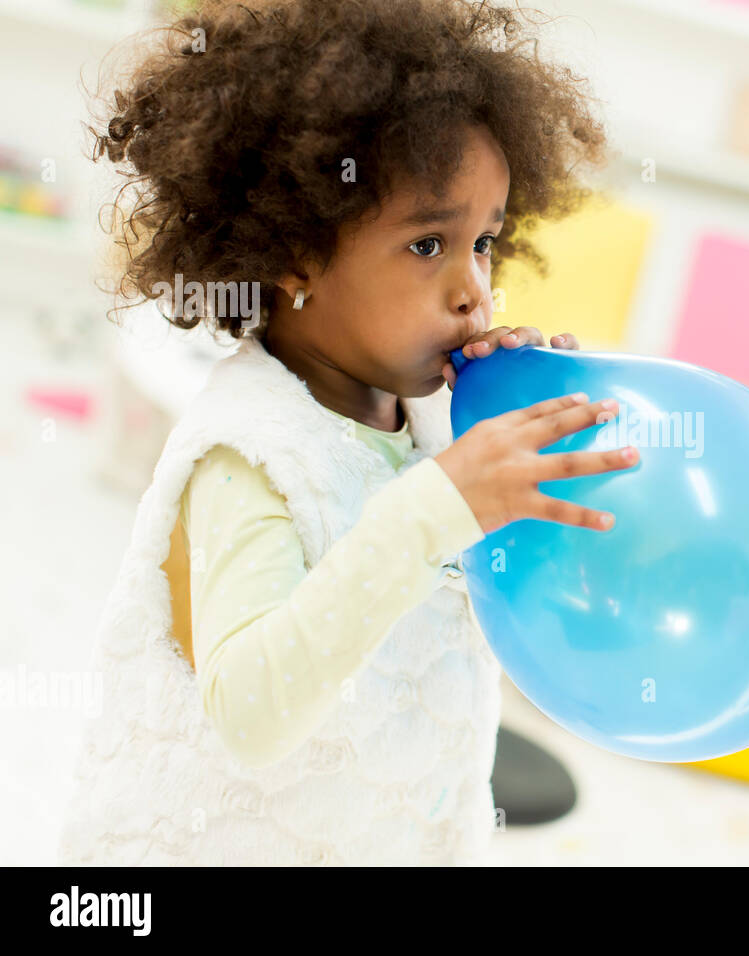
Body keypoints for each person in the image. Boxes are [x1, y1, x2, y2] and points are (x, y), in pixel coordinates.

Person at [57, 0, 638, 865]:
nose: (475, 289)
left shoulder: (427, 424)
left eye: (484, 241)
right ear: (296, 252)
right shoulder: (247, 455)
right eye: (426, 245)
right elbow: (251, 715)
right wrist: (441, 503)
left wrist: (532, 451)